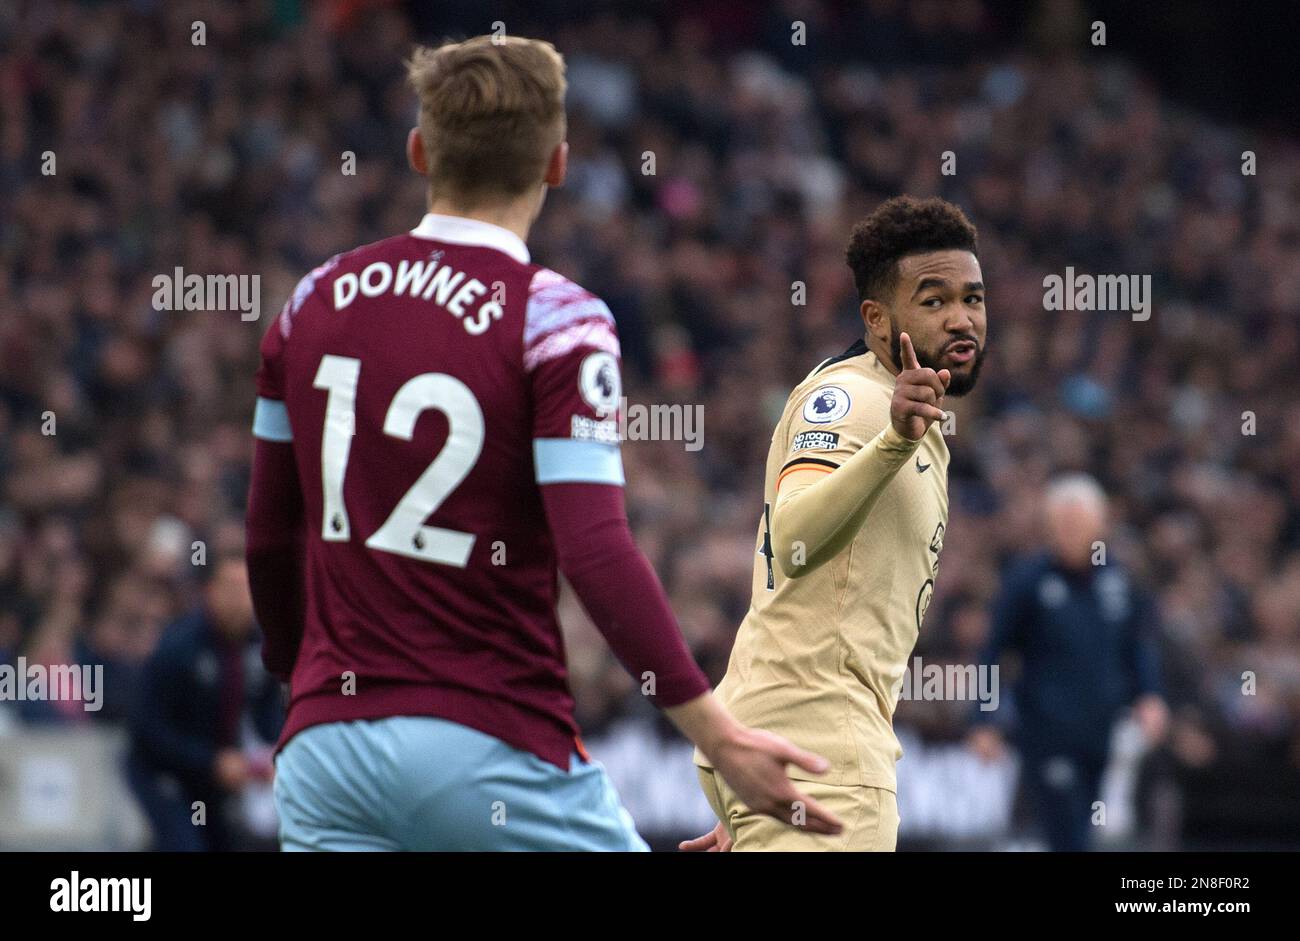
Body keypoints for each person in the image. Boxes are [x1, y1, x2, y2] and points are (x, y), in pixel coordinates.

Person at [244, 35, 840, 851]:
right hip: (486, 742)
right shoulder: (557, 319)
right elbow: (593, 550)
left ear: (419, 151)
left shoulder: (308, 304)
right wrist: (717, 733)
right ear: (557, 163)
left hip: (323, 755)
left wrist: (296, 677)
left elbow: (268, 537)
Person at [686, 195, 988, 851]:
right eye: (934, 301)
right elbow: (794, 539)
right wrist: (890, 442)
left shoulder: (904, 413)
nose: (963, 318)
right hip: (824, 755)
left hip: (784, 747)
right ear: (878, 319)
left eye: (974, 297)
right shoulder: (856, 401)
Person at [967, 474, 1168, 851]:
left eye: (1079, 523)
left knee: (1088, 829)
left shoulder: (1120, 580)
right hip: (1046, 730)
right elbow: (993, 653)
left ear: (1101, 525)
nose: (1071, 532)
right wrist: (984, 719)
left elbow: (1138, 646)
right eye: (1063, 523)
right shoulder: (1027, 581)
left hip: (1103, 730)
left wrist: (1150, 695)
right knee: (1067, 829)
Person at [127, 552, 282, 851]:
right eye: (231, 588)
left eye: (247, 588)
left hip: (218, 779)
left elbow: (266, 710)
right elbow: (148, 728)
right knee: (185, 843)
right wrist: (209, 761)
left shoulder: (259, 646)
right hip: (166, 773)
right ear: (210, 592)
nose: (240, 599)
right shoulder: (178, 648)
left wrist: (274, 754)